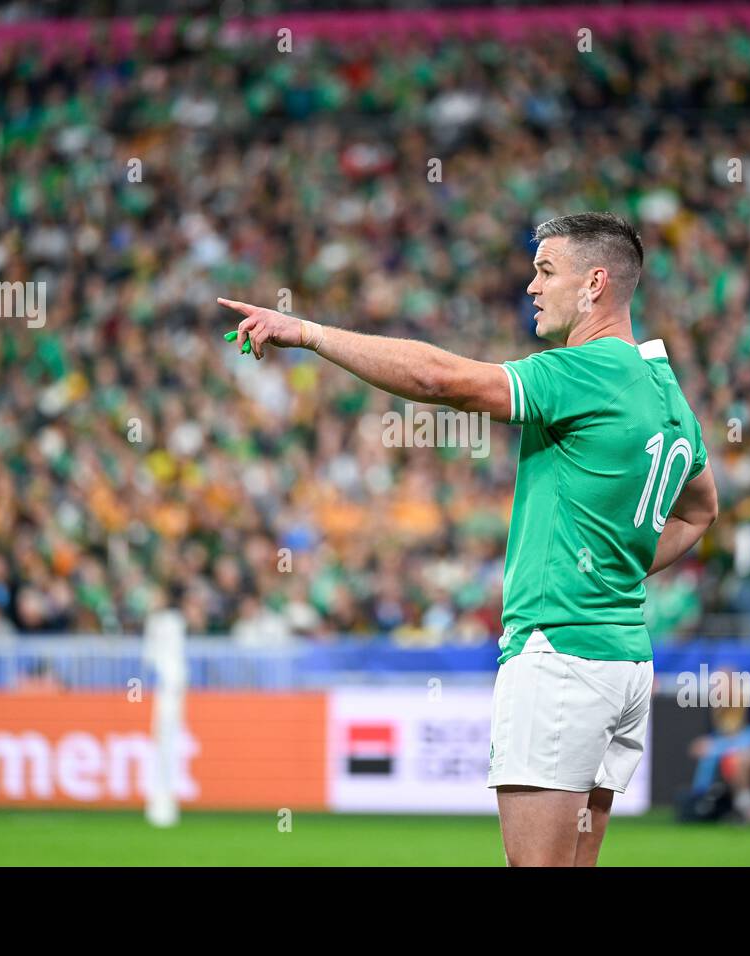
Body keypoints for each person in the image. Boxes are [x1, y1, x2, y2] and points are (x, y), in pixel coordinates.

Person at [220, 212, 718, 866]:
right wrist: (613, 572)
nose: (532, 287)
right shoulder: (664, 388)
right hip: (622, 658)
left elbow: (439, 380)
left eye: (546, 271)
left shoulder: (582, 372)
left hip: (559, 654)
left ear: (595, 283)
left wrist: (308, 332)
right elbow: (700, 512)